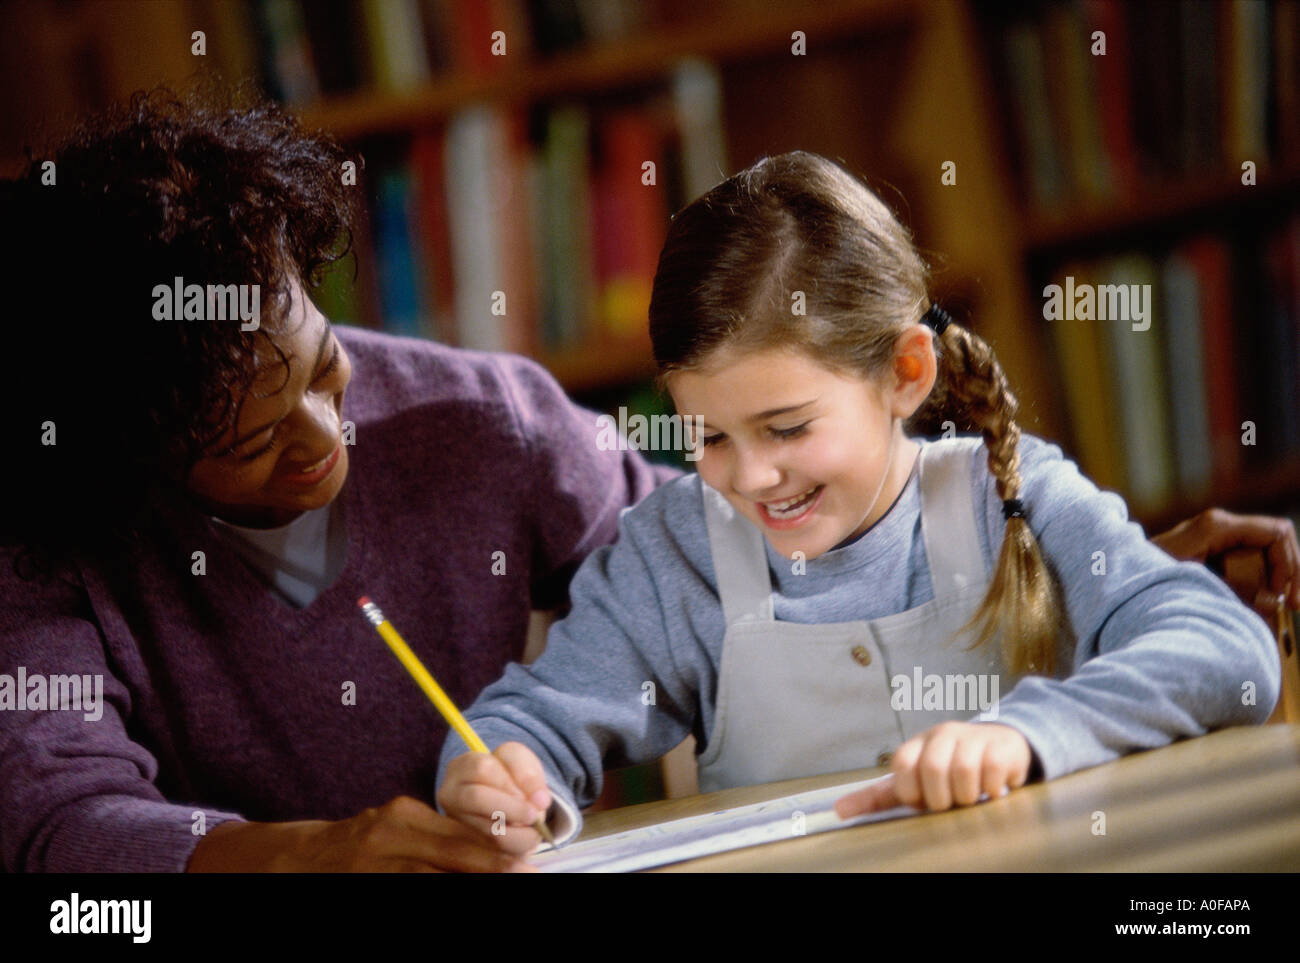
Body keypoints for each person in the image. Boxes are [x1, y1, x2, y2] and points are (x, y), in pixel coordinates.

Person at [435, 151, 1283, 852]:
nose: (754, 476)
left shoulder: (1007, 495)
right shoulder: (678, 552)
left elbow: (1224, 648)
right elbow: (533, 721)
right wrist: (502, 773)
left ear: (906, 374)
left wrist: (1024, 735)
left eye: (788, 427)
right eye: (712, 437)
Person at [0, 89, 675, 872]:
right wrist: (309, 859)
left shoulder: (478, 417)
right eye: (253, 437)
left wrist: (542, 732)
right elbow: (56, 823)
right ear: (133, 451)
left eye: (323, 366)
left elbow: (693, 569)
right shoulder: (44, 542)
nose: (324, 435)